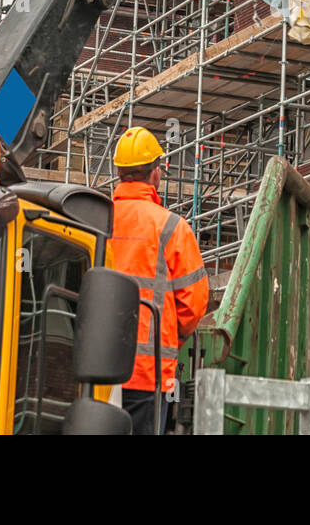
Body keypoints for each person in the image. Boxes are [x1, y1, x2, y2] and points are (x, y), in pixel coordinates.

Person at [107, 126, 209, 434]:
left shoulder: (94, 217)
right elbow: (194, 304)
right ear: (155, 174)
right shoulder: (171, 227)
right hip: (148, 374)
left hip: (95, 370)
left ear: (120, 173)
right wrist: (170, 340)